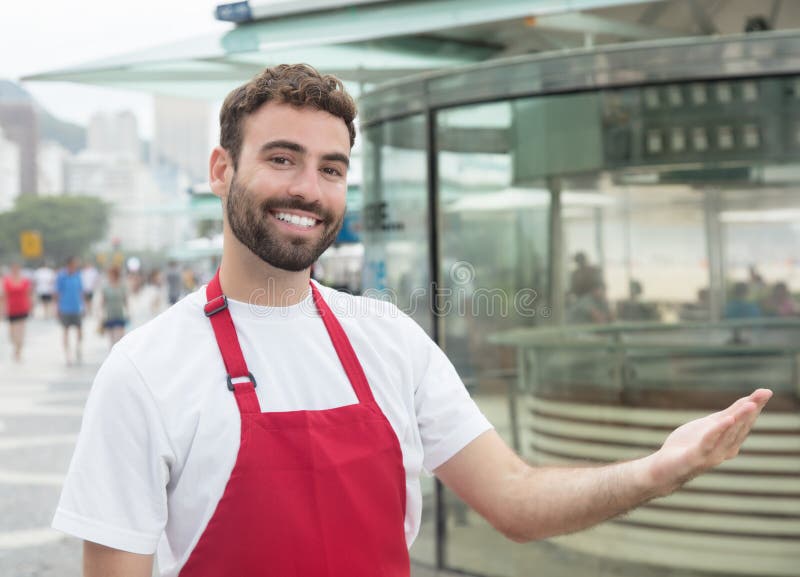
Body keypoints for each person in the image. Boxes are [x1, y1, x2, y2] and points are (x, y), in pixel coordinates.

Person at [52, 64, 772, 577]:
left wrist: (658, 469)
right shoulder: (146, 371)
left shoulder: (388, 339)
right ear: (220, 169)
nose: (309, 188)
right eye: (282, 158)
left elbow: (516, 501)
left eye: (331, 169)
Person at [55, 256, 84, 365]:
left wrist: (83, 306)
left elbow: (81, 291)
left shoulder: (78, 275)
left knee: (80, 331)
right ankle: (68, 355)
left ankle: (78, 348)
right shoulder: (62, 276)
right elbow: (58, 293)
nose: (75, 266)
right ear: (69, 264)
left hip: (77, 307)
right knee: (65, 331)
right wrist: (57, 308)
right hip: (65, 308)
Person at [1, 262, 33, 362]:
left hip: (22, 307)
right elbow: (3, 296)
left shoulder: (25, 281)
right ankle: (15, 345)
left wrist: (31, 306)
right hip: (11, 308)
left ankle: (18, 350)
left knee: (21, 330)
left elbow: (29, 294)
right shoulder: (6, 281)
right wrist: (2, 309)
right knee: (11, 332)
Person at [99, 266, 128, 347]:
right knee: (111, 339)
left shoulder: (122, 286)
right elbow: (102, 301)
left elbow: (125, 300)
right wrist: (101, 315)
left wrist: (128, 312)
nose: (110, 276)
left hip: (120, 313)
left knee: (120, 338)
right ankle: (113, 356)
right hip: (109, 314)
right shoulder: (105, 287)